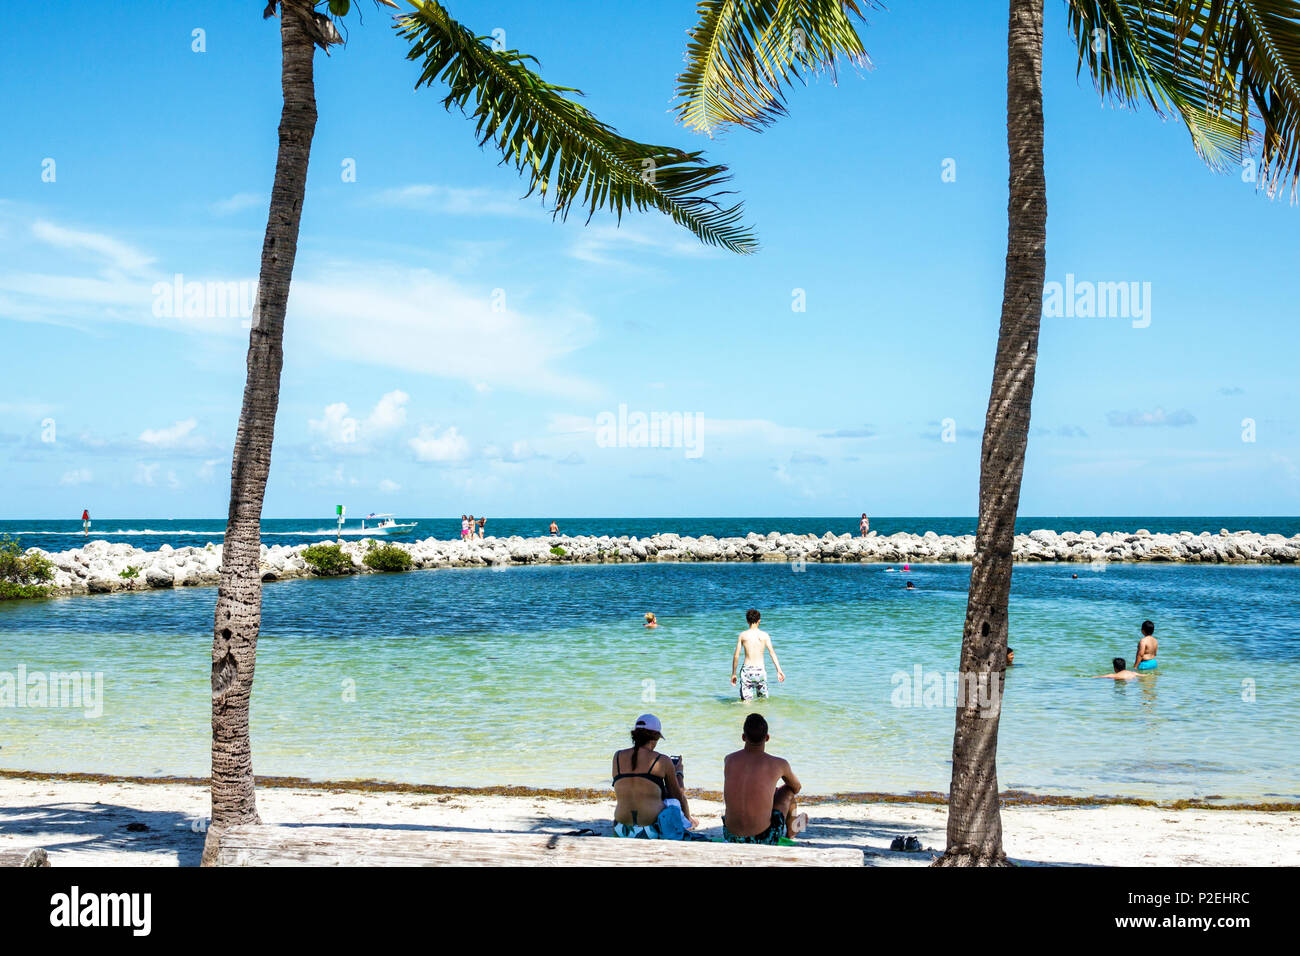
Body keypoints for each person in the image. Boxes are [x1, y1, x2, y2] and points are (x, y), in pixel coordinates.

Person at [722, 713, 807, 844]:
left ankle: (793, 826)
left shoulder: (729, 759)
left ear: (743, 737)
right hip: (762, 839)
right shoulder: (779, 764)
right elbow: (796, 787)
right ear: (767, 738)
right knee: (788, 791)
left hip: (730, 836)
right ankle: (793, 830)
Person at [612, 714, 698, 838]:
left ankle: (689, 821)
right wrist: (678, 772)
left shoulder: (617, 756)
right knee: (673, 803)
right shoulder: (662, 760)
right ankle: (689, 822)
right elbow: (677, 795)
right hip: (651, 830)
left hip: (621, 829)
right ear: (656, 737)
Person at [731, 609, 785, 700]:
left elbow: (736, 655)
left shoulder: (743, 635)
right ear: (759, 620)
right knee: (763, 700)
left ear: (747, 621)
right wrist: (779, 670)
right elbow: (772, 653)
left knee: (746, 701)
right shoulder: (764, 635)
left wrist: (733, 673)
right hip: (760, 671)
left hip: (747, 670)